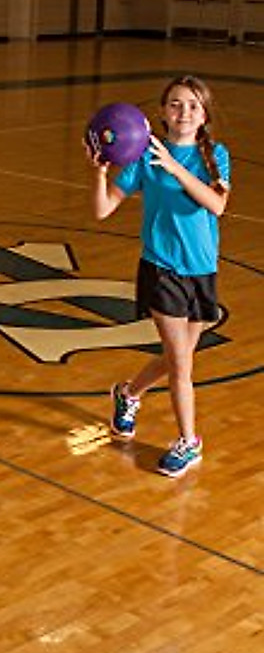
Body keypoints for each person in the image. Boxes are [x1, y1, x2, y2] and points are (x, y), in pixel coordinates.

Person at [88, 76, 230, 478]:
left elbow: (216, 204)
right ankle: (189, 442)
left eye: (192, 106)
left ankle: (128, 393)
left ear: (204, 116)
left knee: (175, 358)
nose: (183, 112)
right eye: (175, 104)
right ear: (163, 113)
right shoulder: (143, 158)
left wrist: (174, 167)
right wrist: (100, 173)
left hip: (202, 270)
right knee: (182, 366)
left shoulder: (215, 156)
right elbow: (102, 210)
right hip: (160, 269)